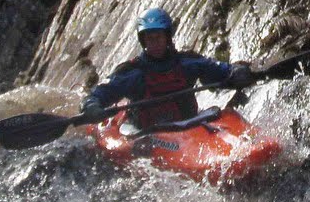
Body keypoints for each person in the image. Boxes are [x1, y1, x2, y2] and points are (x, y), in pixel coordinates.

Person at [82, 7, 253, 131]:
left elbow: (220, 71)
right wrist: (92, 105)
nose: (155, 42)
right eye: (150, 38)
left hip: (187, 127)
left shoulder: (187, 63)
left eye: (159, 37)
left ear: (167, 37)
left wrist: (236, 72)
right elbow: (102, 92)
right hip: (146, 133)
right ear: (143, 41)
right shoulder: (133, 72)